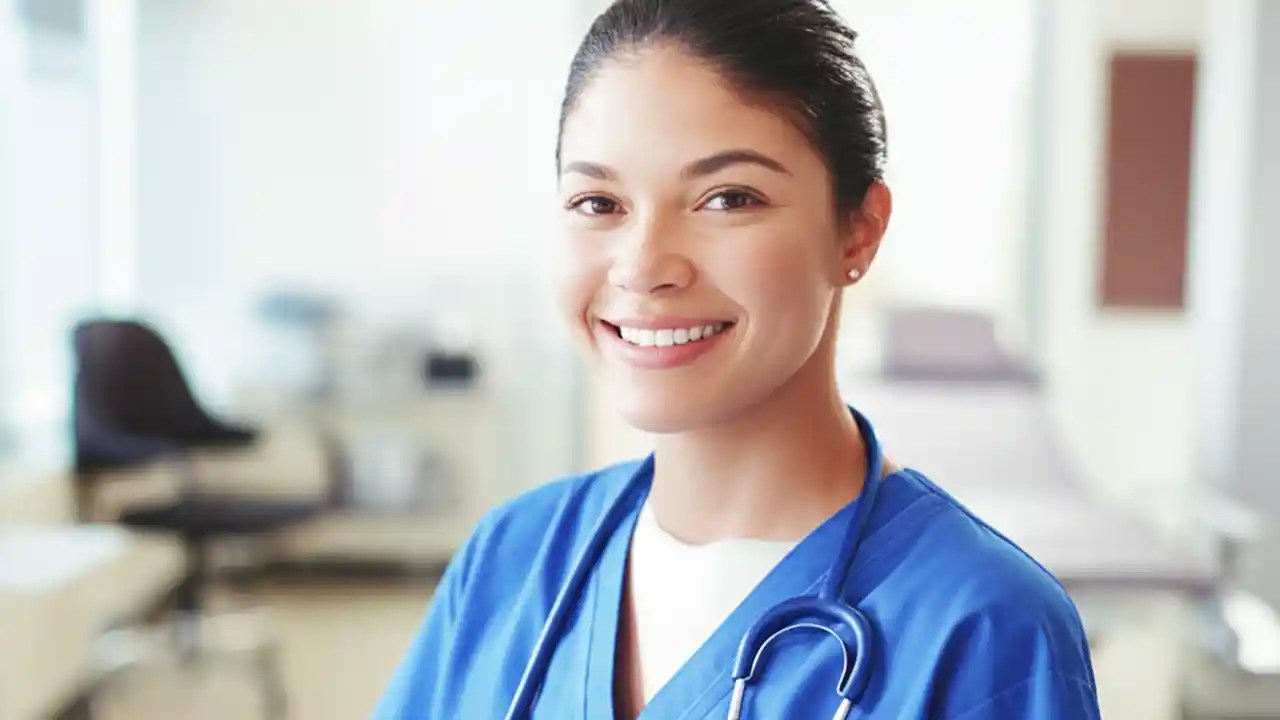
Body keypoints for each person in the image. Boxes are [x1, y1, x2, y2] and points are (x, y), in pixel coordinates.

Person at [376, 0, 1101, 717]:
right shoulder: (513, 562)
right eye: (598, 203)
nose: (644, 266)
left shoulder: (981, 632)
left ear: (858, 232)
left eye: (727, 198)